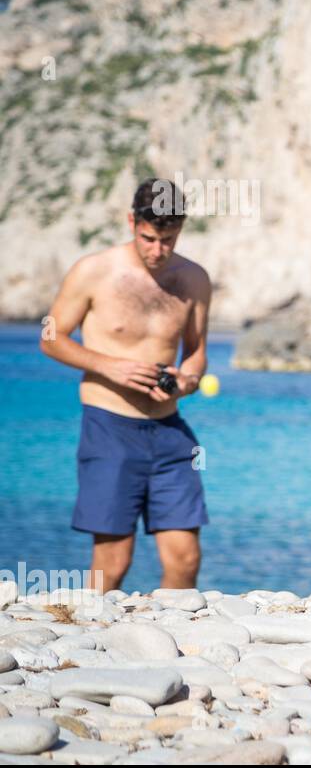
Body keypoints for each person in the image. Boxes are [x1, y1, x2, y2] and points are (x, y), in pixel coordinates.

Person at [40, 178, 213, 592]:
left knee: (186, 559)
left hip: (170, 432)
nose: (158, 250)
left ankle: (173, 648)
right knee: (113, 564)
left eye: (168, 240)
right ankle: (94, 646)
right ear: (132, 221)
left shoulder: (194, 279)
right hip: (109, 428)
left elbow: (196, 352)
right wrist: (111, 367)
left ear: (181, 229)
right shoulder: (93, 270)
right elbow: (50, 336)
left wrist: (185, 382)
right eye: (148, 238)